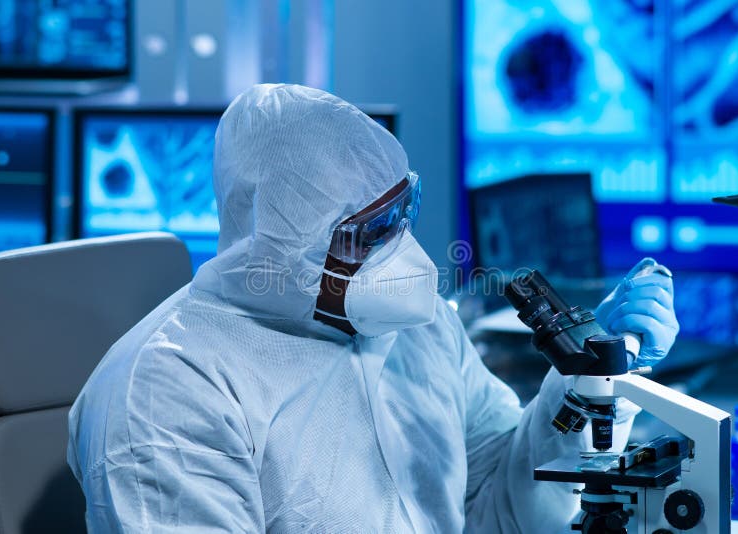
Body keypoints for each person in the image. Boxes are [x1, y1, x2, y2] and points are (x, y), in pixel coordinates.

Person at [67, 84, 678, 532]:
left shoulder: (419, 327)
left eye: (402, 212)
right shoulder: (171, 389)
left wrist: (594, 376)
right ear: (287, 248)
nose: (403, 251)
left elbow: (499, 499)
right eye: (371, 231)